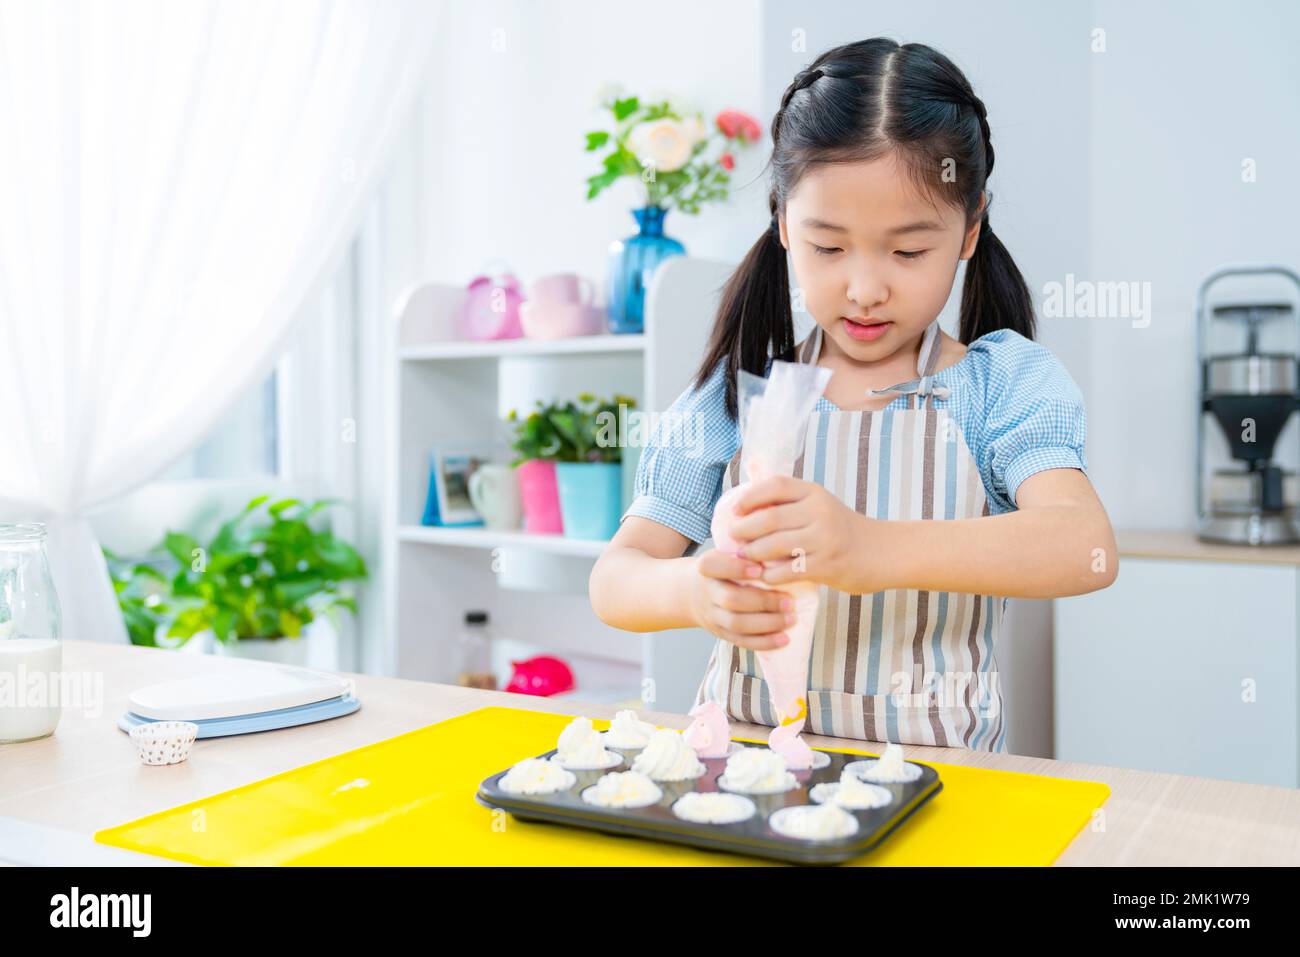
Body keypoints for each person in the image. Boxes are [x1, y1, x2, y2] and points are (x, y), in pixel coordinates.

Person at [589, 38, 1118, 753]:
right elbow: (615, 579)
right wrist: (691, 592)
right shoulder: (742, 392)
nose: (865, 288)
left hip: (941, 785)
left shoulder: (1001, 385)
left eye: (907, 251)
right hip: (750, 779)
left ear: (969, 228)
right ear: (782, 224)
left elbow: (1084, 547)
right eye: (828, 247)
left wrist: (872, 547)